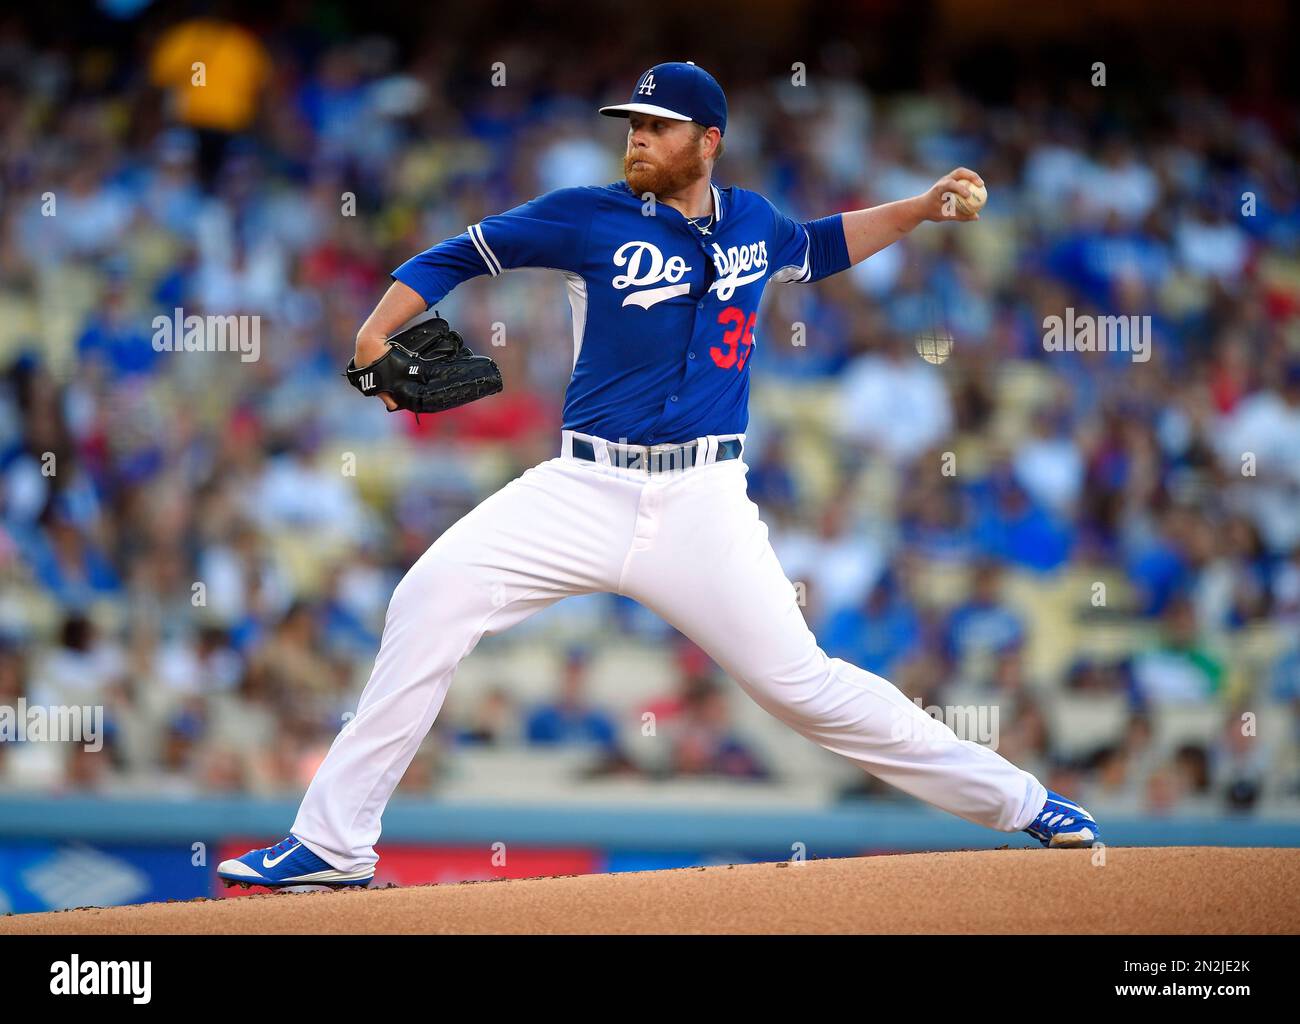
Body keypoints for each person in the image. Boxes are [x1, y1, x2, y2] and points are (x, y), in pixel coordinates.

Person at [219, 62, 1099, 889]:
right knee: (427, 599)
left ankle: (1023, 803)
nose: (637, 137)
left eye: (658, 126)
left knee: (806, 689)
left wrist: (923, 207)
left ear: (708, 140)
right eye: (632, 124)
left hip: (703, 502)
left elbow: (823, 246)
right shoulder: (589, 215)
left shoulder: (753, 222)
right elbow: (457, 252)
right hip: (583, 489)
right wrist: (376, 333)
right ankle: (333, 843)